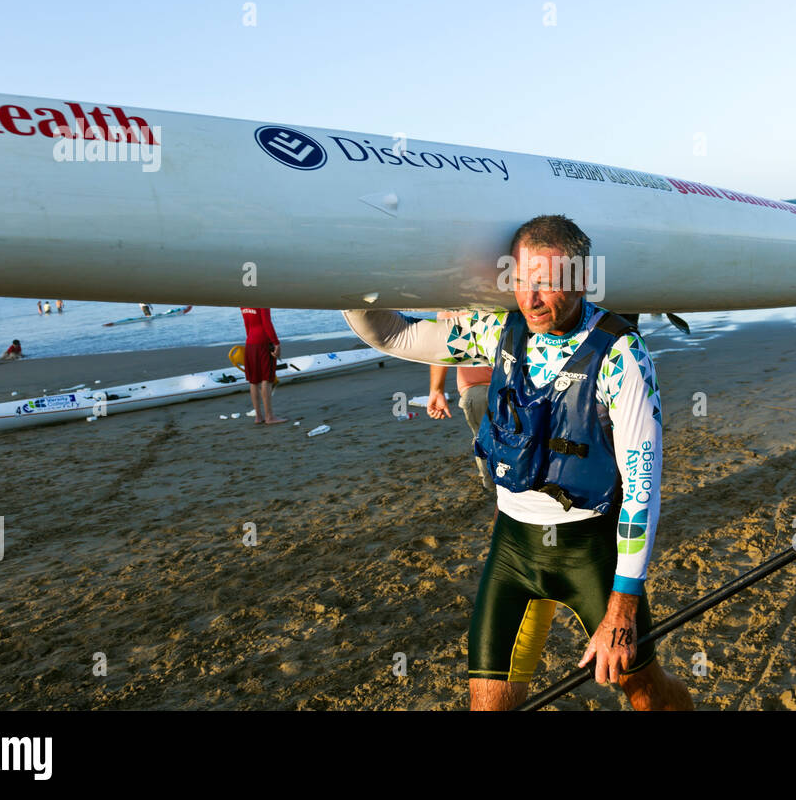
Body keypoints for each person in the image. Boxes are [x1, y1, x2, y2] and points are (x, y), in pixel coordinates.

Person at [343, 214, 693, 712]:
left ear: (583, 281)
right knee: (488, 705)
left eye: (548, 286)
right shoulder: (500, 332)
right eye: (524, 282)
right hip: (513, 549)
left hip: (590, 552)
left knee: (645, 694)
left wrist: (623, 605)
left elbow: (642, 487)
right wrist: (338, 279)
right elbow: (393, 336)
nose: (531, 300)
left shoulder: (621, 355)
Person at [427, 311, 494, 491]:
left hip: (480, 389)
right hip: (512, 385)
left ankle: (504, 502)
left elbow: (443, 347)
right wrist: (436, 391)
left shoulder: (453, 302)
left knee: (488, 445)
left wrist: (436, 390)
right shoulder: (504, 291)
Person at [240, 307, 284, 425]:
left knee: (253, 381)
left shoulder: (243, 303)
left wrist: (250, 338)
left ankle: (258, 417)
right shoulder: (261, 300)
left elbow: (247, 324)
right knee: (266, 379)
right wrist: (276, 343)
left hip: (250, 342)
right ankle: (269, 417)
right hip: (263, 342)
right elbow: (266, 323)